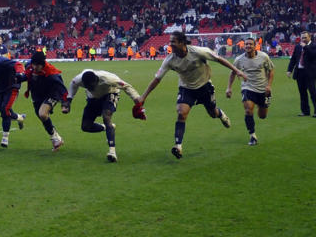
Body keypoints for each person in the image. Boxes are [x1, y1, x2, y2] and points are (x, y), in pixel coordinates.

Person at [136, 31, 247, 159]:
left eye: (173, 42)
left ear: (182, 43)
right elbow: (157, 79)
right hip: (186, 88)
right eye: (170, 41)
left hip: (205, 87)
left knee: (212, 113)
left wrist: (237, 71)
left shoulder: (198, 52)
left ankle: (220, 114)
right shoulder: (170, 59)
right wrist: (143, 96)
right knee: (181, 113)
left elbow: (219, 59)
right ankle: (178, 146)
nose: (170, 44)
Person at [63, 69, 141, 162]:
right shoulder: (79, 79)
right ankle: (108, 127)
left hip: (110, 93)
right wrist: (69, 100)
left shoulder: (108, 79)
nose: (90, 88)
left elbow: (126, 86)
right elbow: (73, 85)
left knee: (106, 117)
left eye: (91, 86)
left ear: (96, 81)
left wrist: (137, 100)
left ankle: (112, 151)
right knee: (86, 126)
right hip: (93, 98)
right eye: (87, 87)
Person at [226, 37, 275, 145]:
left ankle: (261, 104)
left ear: (255, 46)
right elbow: (233, 73)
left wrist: (269, 86)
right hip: (247, 88)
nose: (248, 46)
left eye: (250, 44)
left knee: (262, 116)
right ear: (244, 46)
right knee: (248, 110)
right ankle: (252, 136)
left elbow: (271, 70)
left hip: (263, 89)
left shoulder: (263, 57)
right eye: (246, 44)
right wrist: (229, 87)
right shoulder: (239, 59)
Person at [22, 51, 67, 152]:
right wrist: (18, 78)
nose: (34, 67)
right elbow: (26, 75)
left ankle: (55, 138)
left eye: (37, 65)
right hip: (37, 95)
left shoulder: (51, 73)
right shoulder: (29, 66)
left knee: (42, 114)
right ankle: (56, 138)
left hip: (52, 94)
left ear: (42, 64)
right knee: (41, 116)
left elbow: (62, 88)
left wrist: (65, 103)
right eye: (33, 64)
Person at [286, 31, 316, 117]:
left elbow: (313, 55)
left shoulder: (313, 46)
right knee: (302, 93)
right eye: (302, 38)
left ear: (309, 37)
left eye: (305, 37)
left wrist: (306, 47)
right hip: (299, 72)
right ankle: (305, 111)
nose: (303, 39)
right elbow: (294, 59)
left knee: (313, 93)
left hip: (310, 73)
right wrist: (289, 70)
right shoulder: (298, 46)